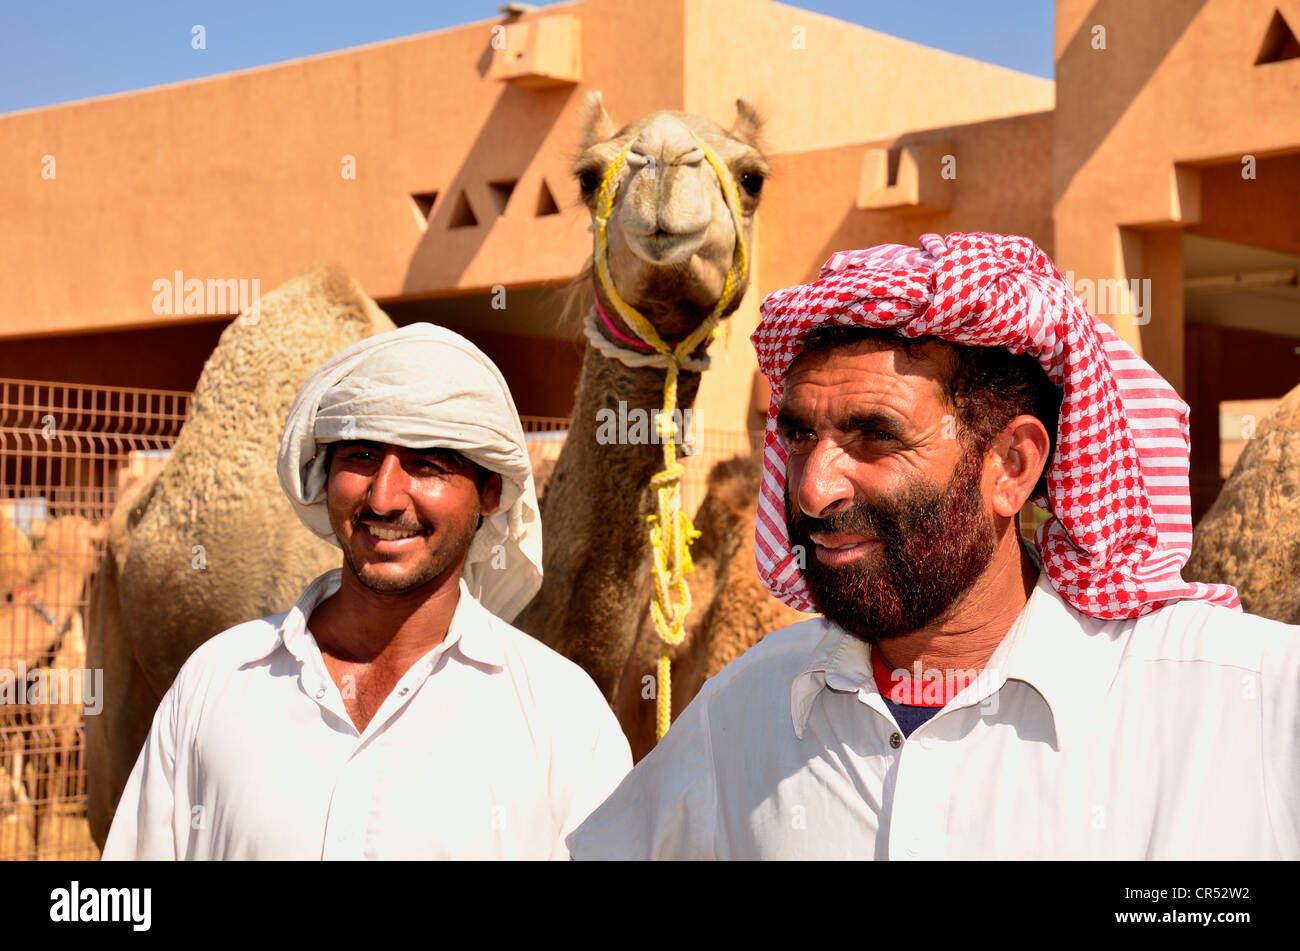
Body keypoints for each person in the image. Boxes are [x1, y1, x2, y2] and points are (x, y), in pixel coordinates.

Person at [567, 232, 1300, 860]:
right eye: (799, 435)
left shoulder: (1247, 703)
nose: (814, 488)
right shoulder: (746, 711)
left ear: (1011, 466)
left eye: (875, 435)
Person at [104, 323, 631, 859]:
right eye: (360, 457)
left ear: (490, 492)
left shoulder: (564, 719)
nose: (384, 498)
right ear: (325, 475)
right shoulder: (215, 686)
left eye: (427, 464)